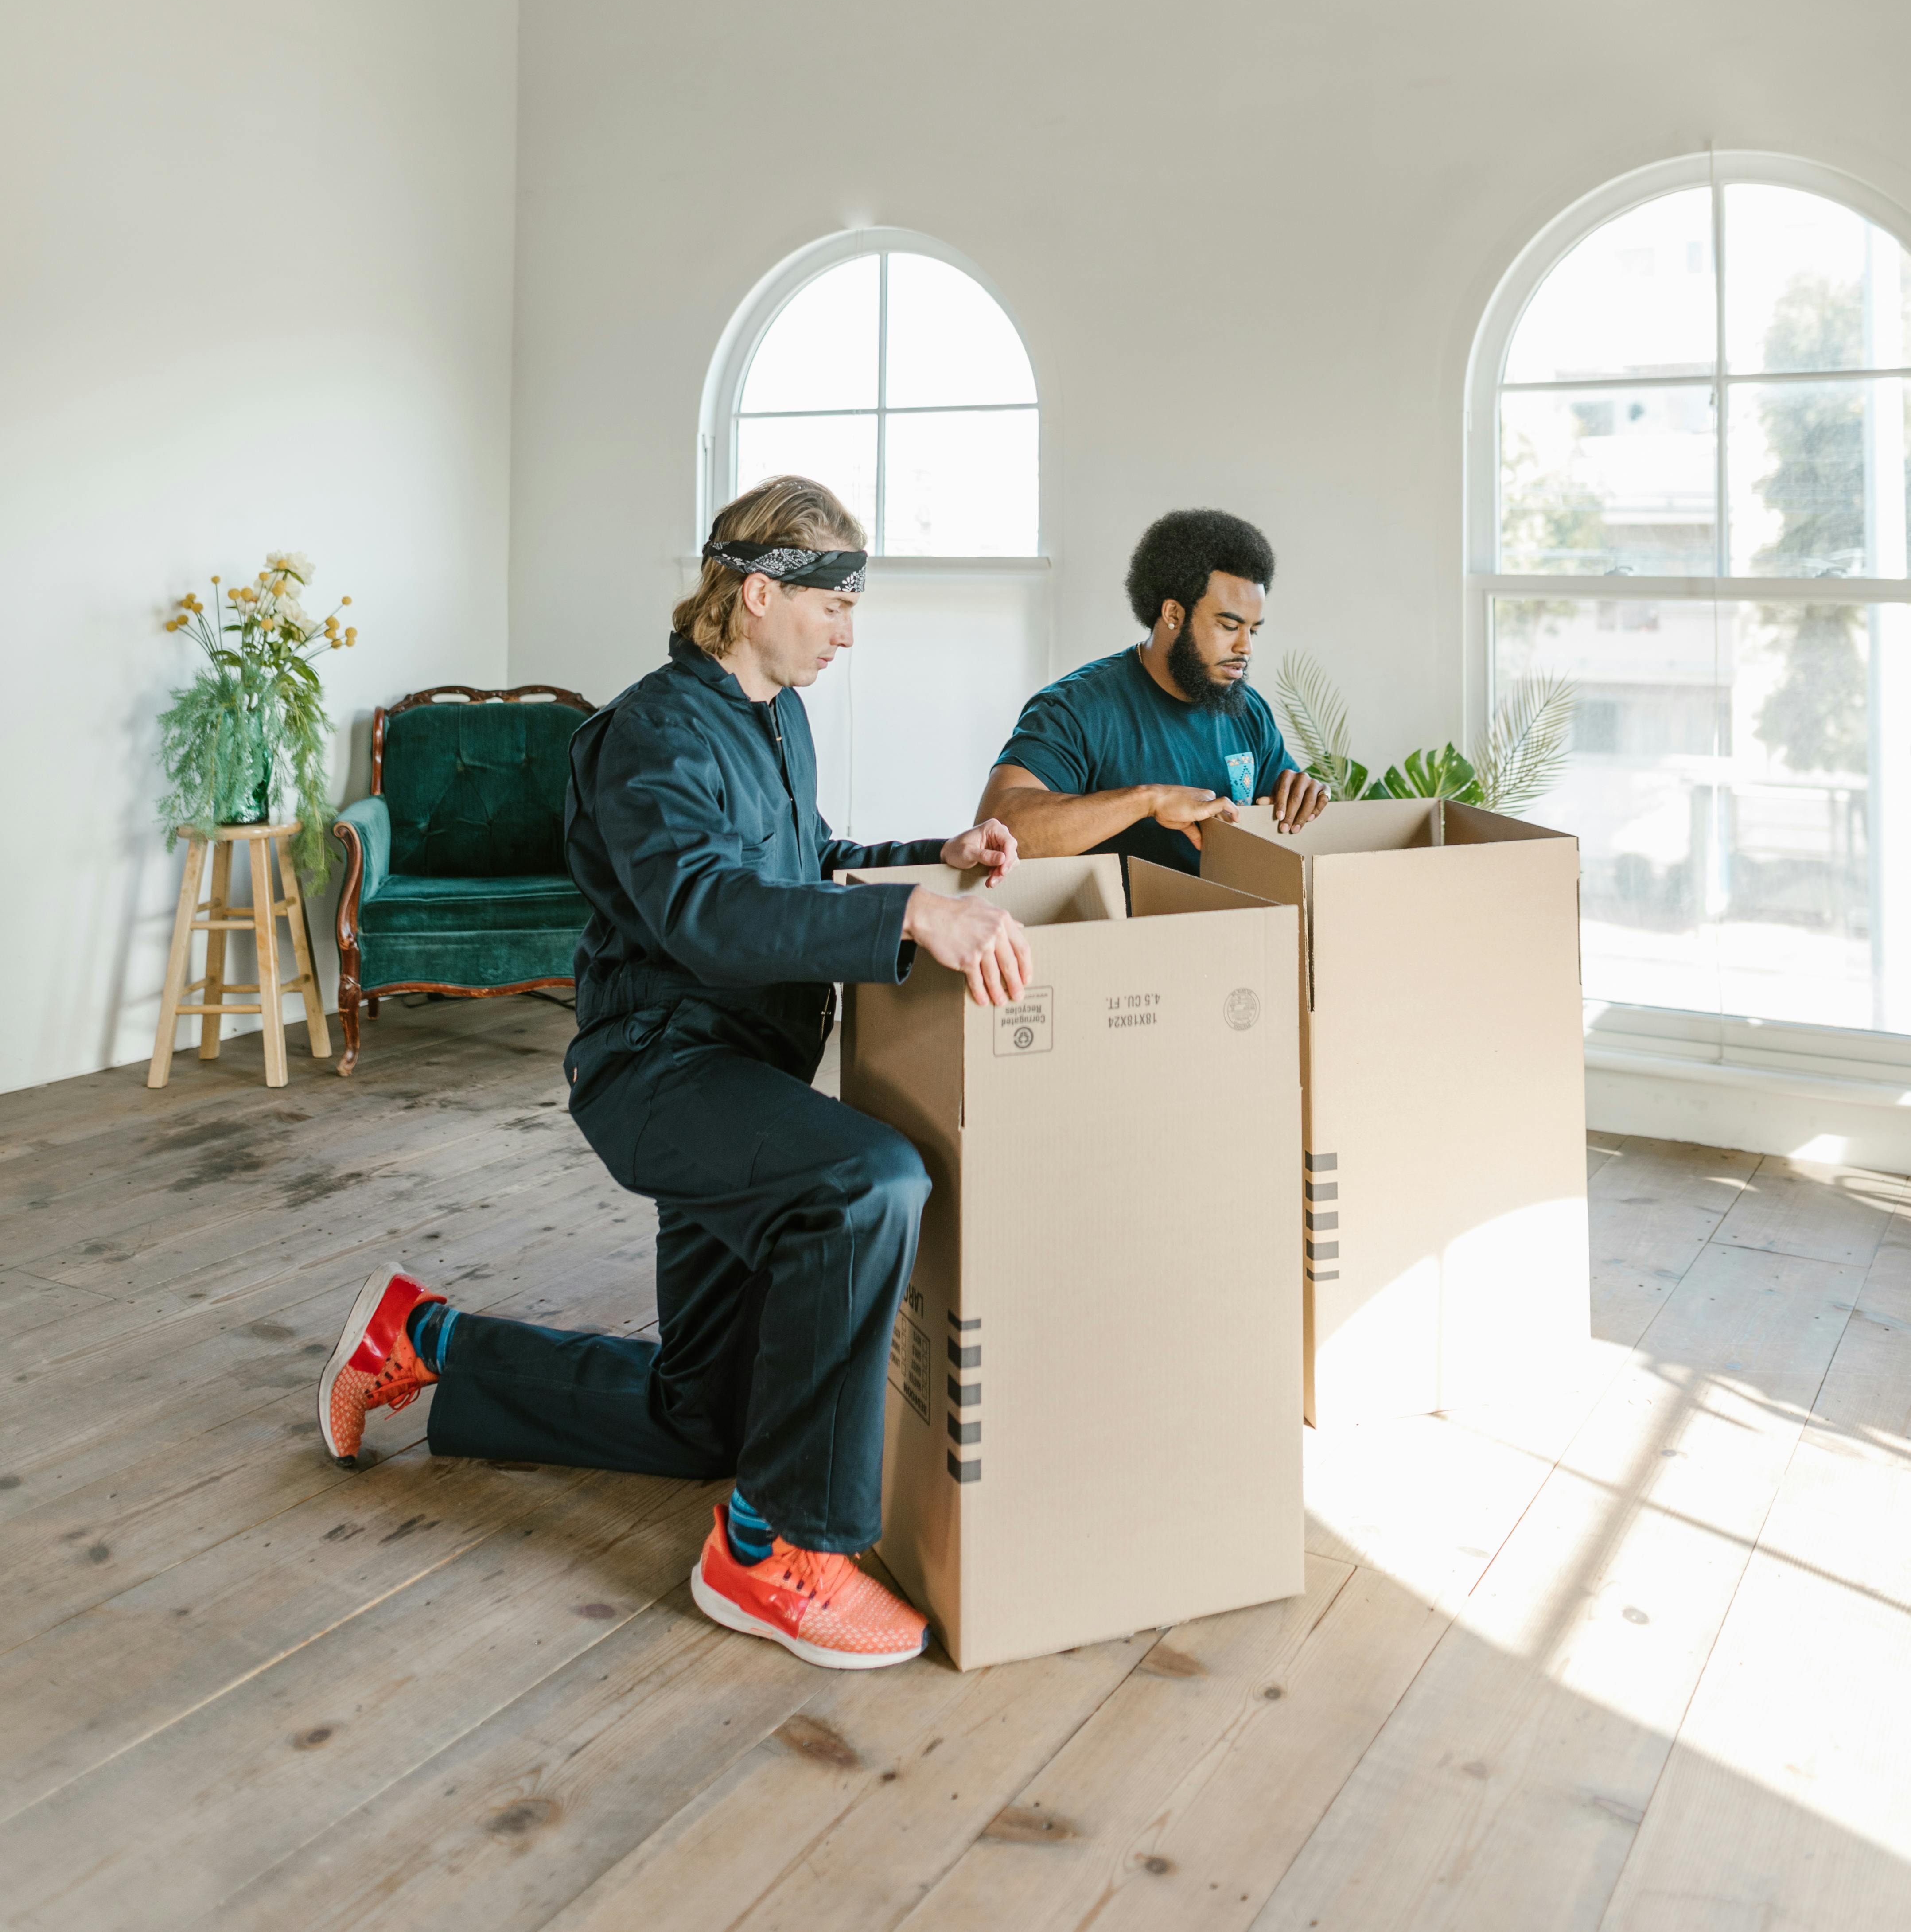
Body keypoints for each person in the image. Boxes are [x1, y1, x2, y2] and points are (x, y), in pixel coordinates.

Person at [316, 475, 1031, 1673]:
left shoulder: (776, 717)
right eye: (834, 604)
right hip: (660, 1075)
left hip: (743, 1079)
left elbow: (807, 862)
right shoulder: (646, 733)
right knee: (869, 1185)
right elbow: (704, 907)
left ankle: (423, 1335)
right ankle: (777, 1545)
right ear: (758, 594)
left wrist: (931, 857)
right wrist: (911, 919)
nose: (848, 630)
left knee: (699, 1414)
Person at [978, 506, 1329, 876]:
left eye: (1253, 631)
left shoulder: (1247, 710)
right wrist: (1148, 800)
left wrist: (1301, 798)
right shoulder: (1076, 708)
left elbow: (1281, 822)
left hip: (1234, 925)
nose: (1246, 648)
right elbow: (997, 828)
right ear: (1173, 614)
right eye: (1229, 626)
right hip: (1123, 930)